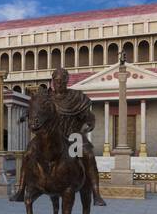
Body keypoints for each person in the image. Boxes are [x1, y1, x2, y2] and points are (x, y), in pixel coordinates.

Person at [10, 66, 107, 206]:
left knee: (88, 155)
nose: (59, 84)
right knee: (28, 153)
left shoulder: (76, 97)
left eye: (62, 81)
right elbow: (34, 108)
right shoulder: (46, 96)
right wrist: (25, 115)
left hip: (72, 135)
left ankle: (96, 194)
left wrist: (90, 121)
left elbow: (88, 115)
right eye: (56, 81)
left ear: (67, 81)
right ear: (52, 81)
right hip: (50, 135)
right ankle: (21, 190)